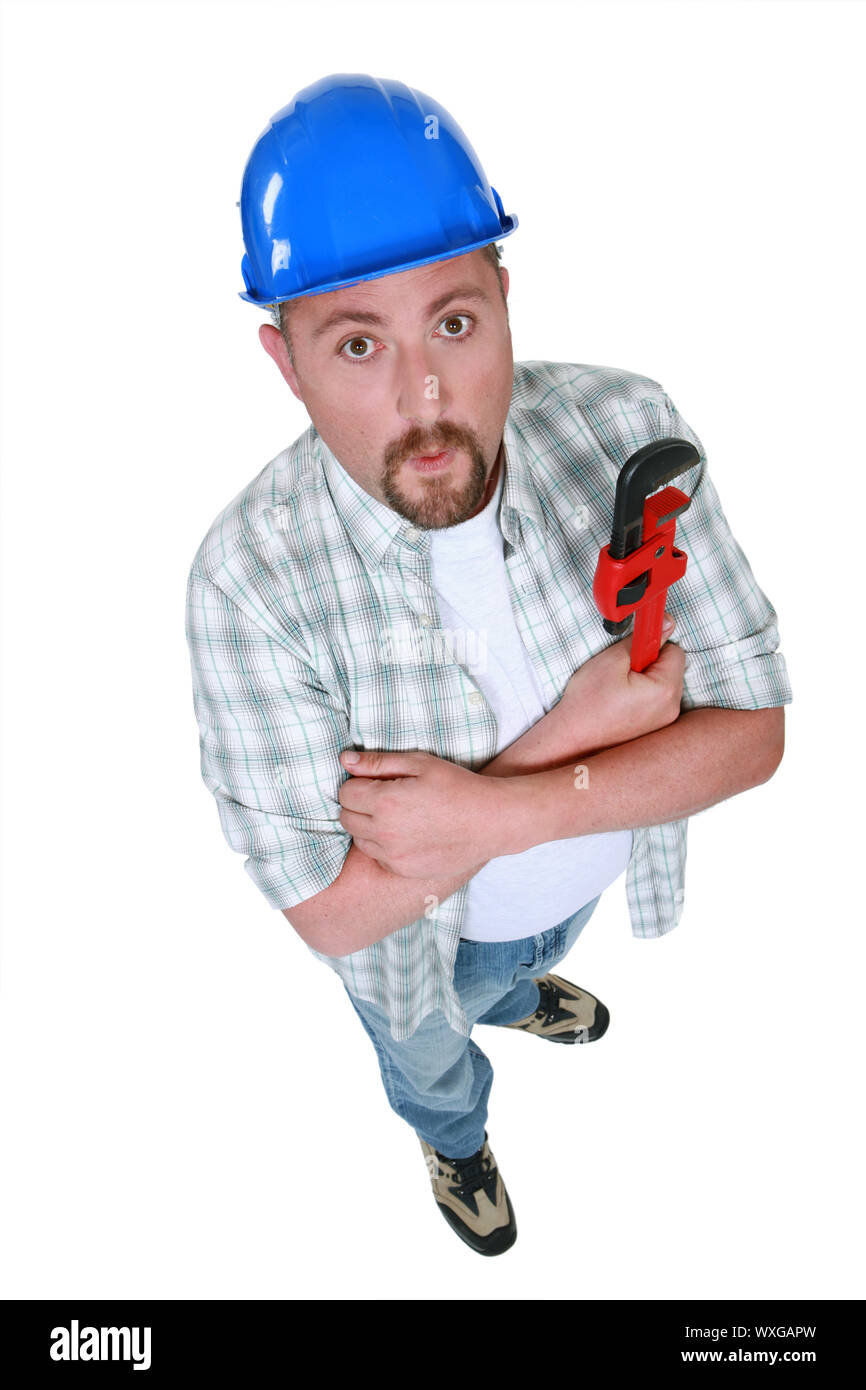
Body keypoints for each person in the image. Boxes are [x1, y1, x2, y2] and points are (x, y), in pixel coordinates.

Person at [184, 73, 792, 1257]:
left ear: (503, 301)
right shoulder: (247, 584)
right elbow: (334, 914)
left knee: (529, 960)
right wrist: (573, 741)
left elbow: (754, 735)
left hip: (582, 891)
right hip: (420, 959)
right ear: (285, 362)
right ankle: (454, 1139)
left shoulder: (625, 428)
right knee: (432, 1058)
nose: (423, 396)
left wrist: (480, 815)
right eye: (356, 344)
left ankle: (518, 994)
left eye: (452, 324)